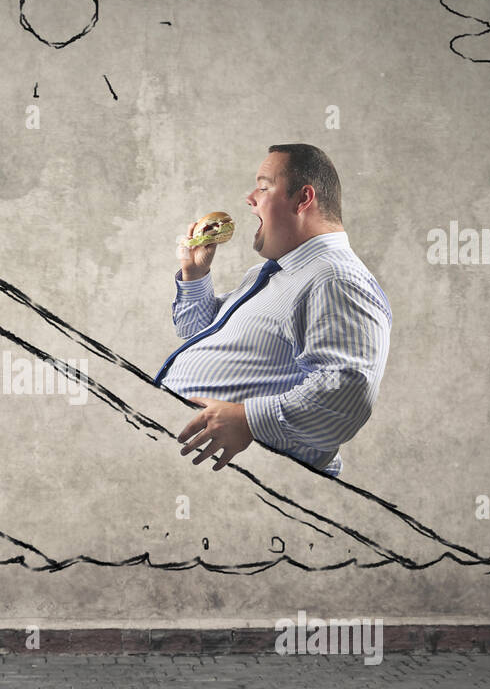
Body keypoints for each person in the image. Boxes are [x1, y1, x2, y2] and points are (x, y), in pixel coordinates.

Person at [156, 144, 391, 476]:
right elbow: (201, 338)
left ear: (303, 199)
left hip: (254, 492)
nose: (250, 198)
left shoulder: (335, 279)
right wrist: (195, 276)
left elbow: (348, 393)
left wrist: (249, 420)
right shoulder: (273, 274)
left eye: (264, 187)